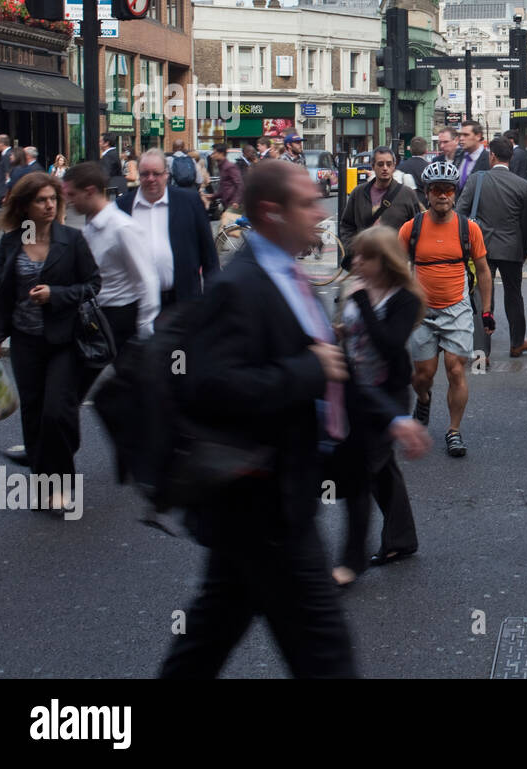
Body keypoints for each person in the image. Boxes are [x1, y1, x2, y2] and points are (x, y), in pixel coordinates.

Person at [160, 160, 360, 678]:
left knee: (206, 638)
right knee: (326, 655)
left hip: (266, 502)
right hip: (263, 504)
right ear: (271, 212)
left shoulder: (289, 274)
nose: (320, 213)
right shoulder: (240, 285)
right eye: (308, 203)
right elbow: (210, 387)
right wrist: (307, 370)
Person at [0, 174, 101, 496]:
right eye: (41, 200)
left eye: (53, 199)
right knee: (34, 416)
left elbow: (93, 285)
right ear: (24, 206)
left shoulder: (71, 239)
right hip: (24, 342)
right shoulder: (12, 242)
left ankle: (61, 484)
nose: (49, 205)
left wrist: (56, 294)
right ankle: (43, 485)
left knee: (56, 412)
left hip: (63, 340)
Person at [330, 226, 432, 587]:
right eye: (355, 255)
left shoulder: (402, 297)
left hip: (387, 395)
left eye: (364, 257)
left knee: (361, 469)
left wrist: (361, 306)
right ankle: (402, 540)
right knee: (382, 467)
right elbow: (353, 334)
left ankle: (352, 560)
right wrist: (343, 331)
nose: (355, 261)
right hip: (355, 392)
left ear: (383, 261)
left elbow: (390, 344)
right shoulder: (355, 288)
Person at [398, 161, 491, 458]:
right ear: (427, 193)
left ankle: (454, 431)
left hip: (457, 308)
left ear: (455, 193)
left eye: (448, 189)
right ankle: (423, 399)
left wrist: (486, 311)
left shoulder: (469, 229)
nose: (442, 195)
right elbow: (397, 270)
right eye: (437, 189)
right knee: (422, 376)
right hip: (421, 312)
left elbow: (485, 272)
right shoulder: (411, 229)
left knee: (455, 370)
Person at [61, 162, 159, 354]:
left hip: (120, 320)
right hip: (97, 317)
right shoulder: (89, 225)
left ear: (90, 191)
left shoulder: (122, 228)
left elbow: (147, 280)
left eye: (72, 194)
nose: (68, 201)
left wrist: (145, 330)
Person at [457, 137, 527, 360]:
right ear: (511, 157)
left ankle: (482, 352)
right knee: (514, 295)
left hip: (482, 248)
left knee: (482, 296)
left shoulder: (476, 180)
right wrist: (522, 250)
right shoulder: (522, 185)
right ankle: (517, 343)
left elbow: (461, 213)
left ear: (492, 156)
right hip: (512, 248)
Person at [117, 149, 219, 308]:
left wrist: (213, 300)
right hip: (136, 304)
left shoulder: (189, 202)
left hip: (183, 302)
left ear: (166, 174)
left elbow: (209, 256)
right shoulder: (123, 207)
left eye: (156, 174)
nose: (151, 179)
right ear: (138, 174)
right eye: (145, 174)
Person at [338, 146, 423, 261]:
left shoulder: (407, 194)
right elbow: (346, 225)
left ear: (394, 166)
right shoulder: (358, 193)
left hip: (396, 263)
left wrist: (406, 255)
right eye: (380, 164)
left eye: (389, 164)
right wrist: (353, 249)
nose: (385, 168)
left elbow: (417, 229)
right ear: (373, 166)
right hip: (367, 262)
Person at [455, 120, 489, 188]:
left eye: (466, 135)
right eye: (460, 135)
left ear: (478, 136)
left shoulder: (489, 159)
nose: (461, 138)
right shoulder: (457, 156)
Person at [212, 143, 244, 215]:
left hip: (233, 204)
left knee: (226, 225)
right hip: (227, 202)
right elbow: (224, 187)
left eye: (215, 153)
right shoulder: (221, 166)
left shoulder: (229, 166)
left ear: (221, 153)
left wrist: (236, 201)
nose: (213, 155)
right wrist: (212, 196)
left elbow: (240, 184)